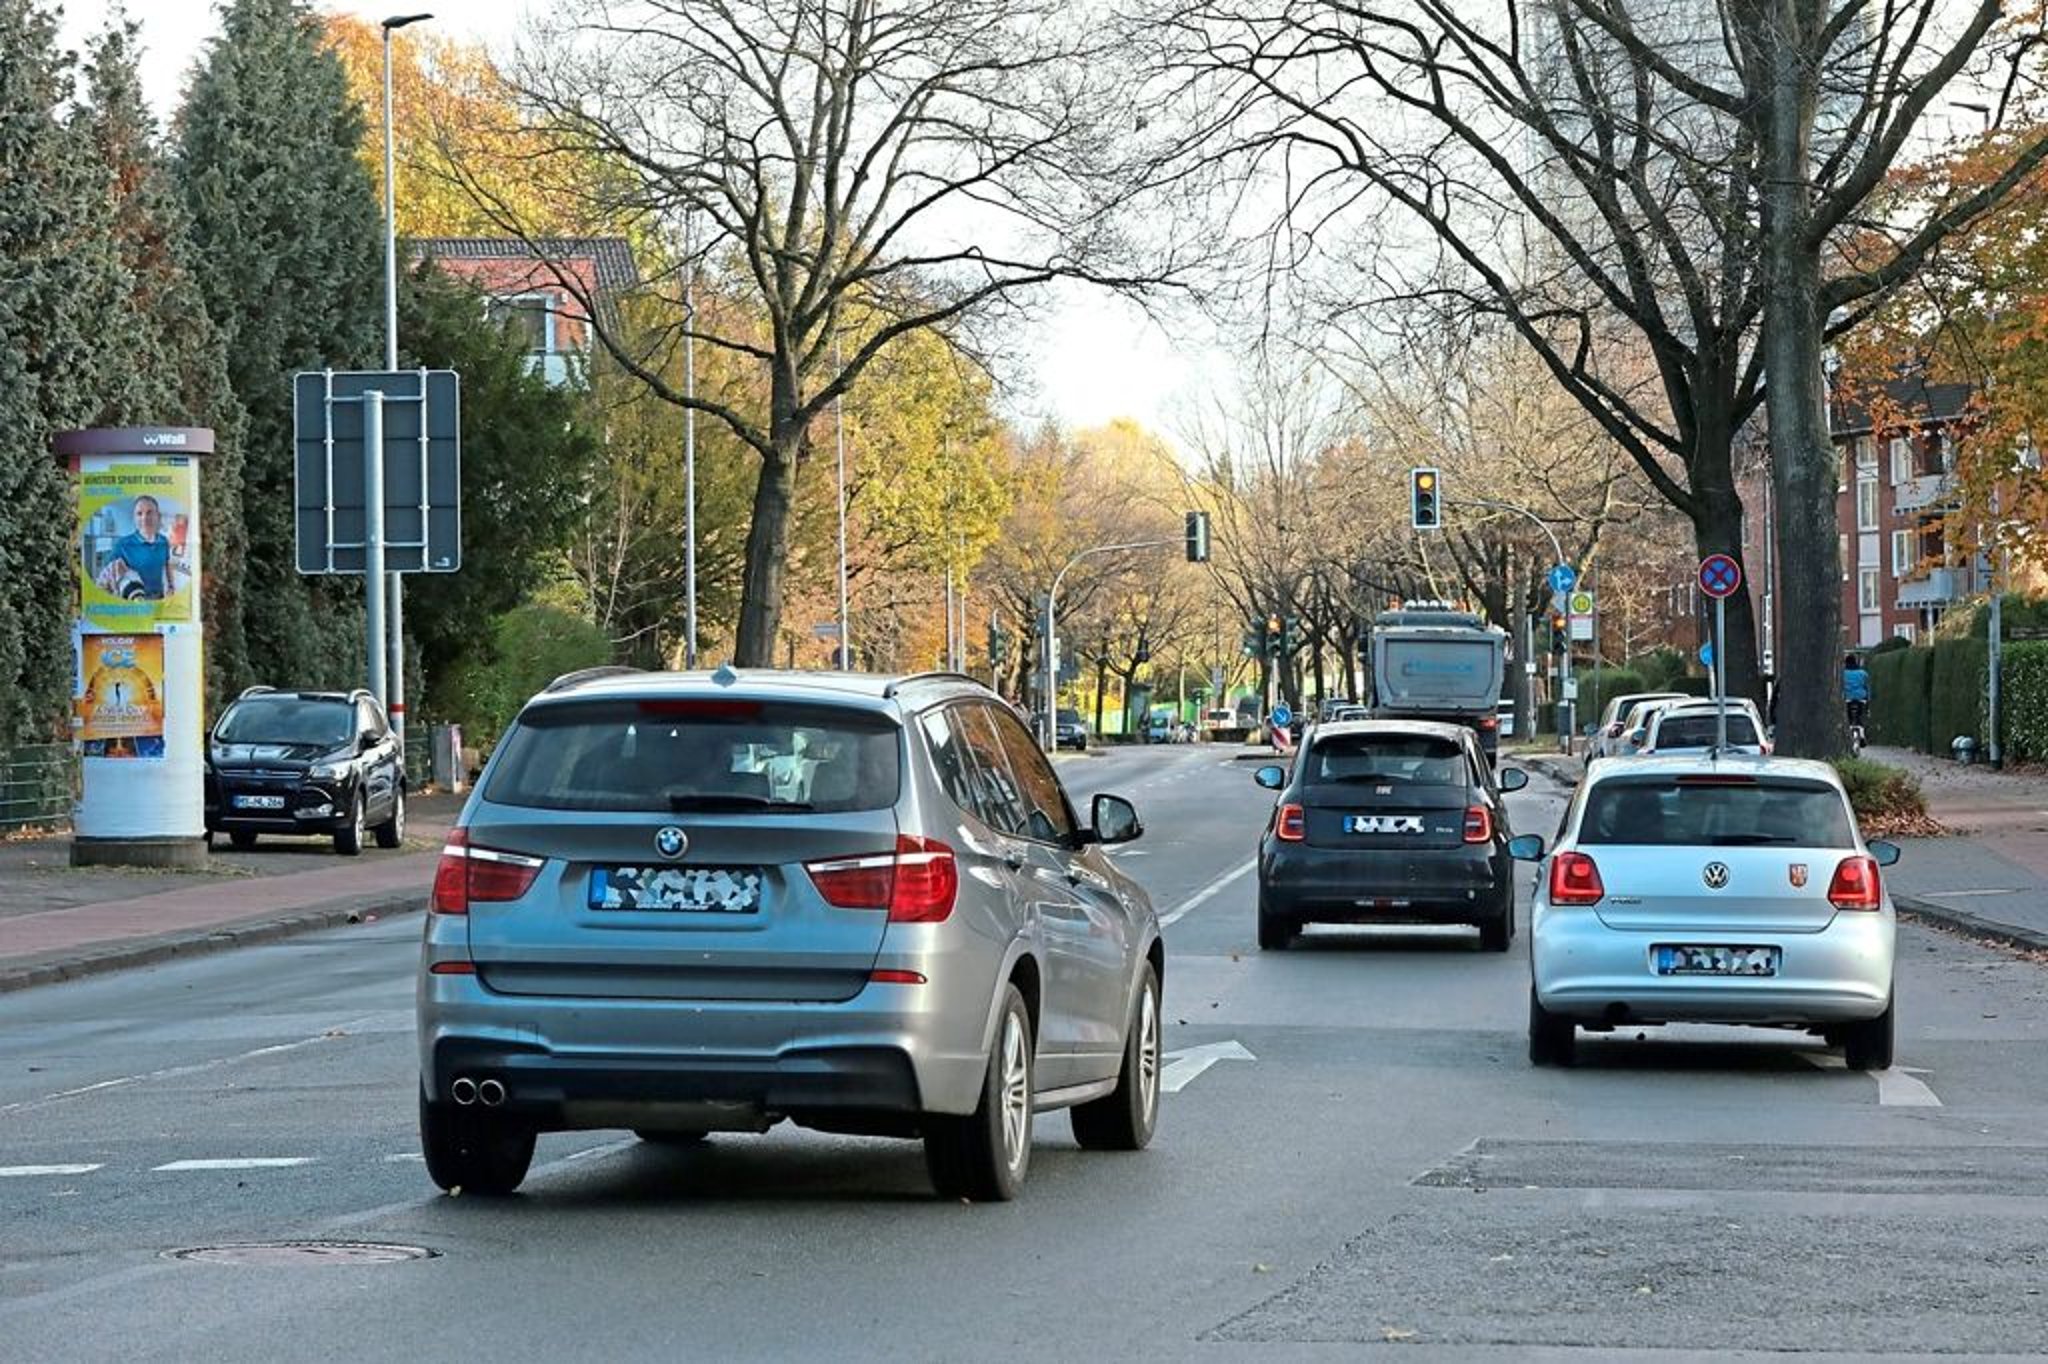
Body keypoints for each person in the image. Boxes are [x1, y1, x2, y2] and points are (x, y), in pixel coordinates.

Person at [96, 494, 175, 599]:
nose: (144, 518)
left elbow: (167, 563)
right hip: (133, 601)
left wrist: (171, 585)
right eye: (139, 514)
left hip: (159, 598)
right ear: (134, 518)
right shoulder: (122, 545)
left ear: (158, 516)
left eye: (149, 512)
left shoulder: (164, 541)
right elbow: (104, 577)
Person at [1842, 653, 1872, 731]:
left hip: (1848, 698)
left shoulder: (1843, 674)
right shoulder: (1863, 673)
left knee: (1849, 717)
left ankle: (1848, 728)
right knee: (1861, 715)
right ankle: (1862, 732)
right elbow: (1867, 687)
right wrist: (1868, 699)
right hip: (1861, 698)